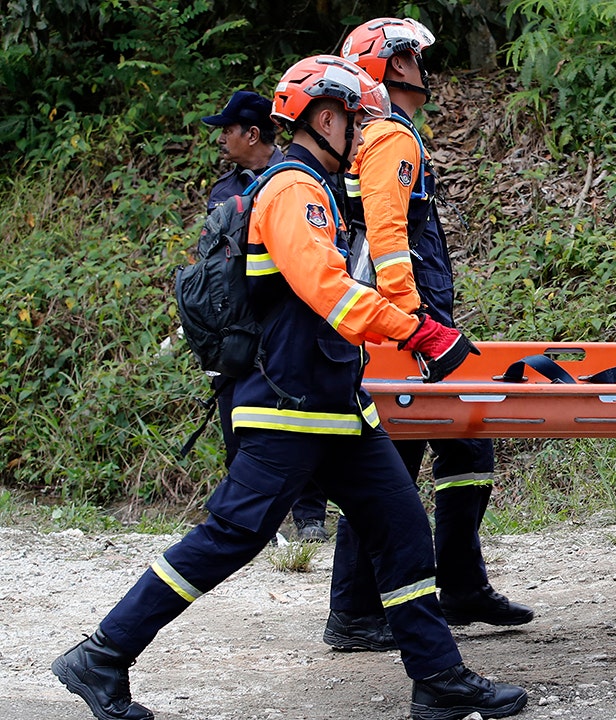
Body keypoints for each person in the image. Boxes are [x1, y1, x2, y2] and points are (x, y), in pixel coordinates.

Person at [51, 55, 527, 720]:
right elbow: (330, 294)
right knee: (231, 536)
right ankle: (102, 656)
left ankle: (439, 679)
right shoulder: (291, 191)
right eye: (358, 123)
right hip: (288, 407)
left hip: (334, 406)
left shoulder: (317, 189)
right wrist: (419, 332)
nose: (364, 139)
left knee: (401, 531)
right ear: (325, 118)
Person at [318, 18, 532, 654]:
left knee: (466, 448)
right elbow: (387, 237)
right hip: (403, 322)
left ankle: (460, 585)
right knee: (392, 462)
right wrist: (418, 327)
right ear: (387, 67)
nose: (419, 63)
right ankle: (355, 612)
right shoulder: (389, 138)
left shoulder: (391, 135)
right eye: (408, 54)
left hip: (407, 318)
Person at [201, 90, 330, 544]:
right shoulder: (223, 191)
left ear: (252, 133)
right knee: (237, 418)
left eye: (227, 130)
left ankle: (310, 517)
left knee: (300, 411)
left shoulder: (301, 179)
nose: (221, 139)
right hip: (237, 326)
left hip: (288, 323)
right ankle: (246, 524)